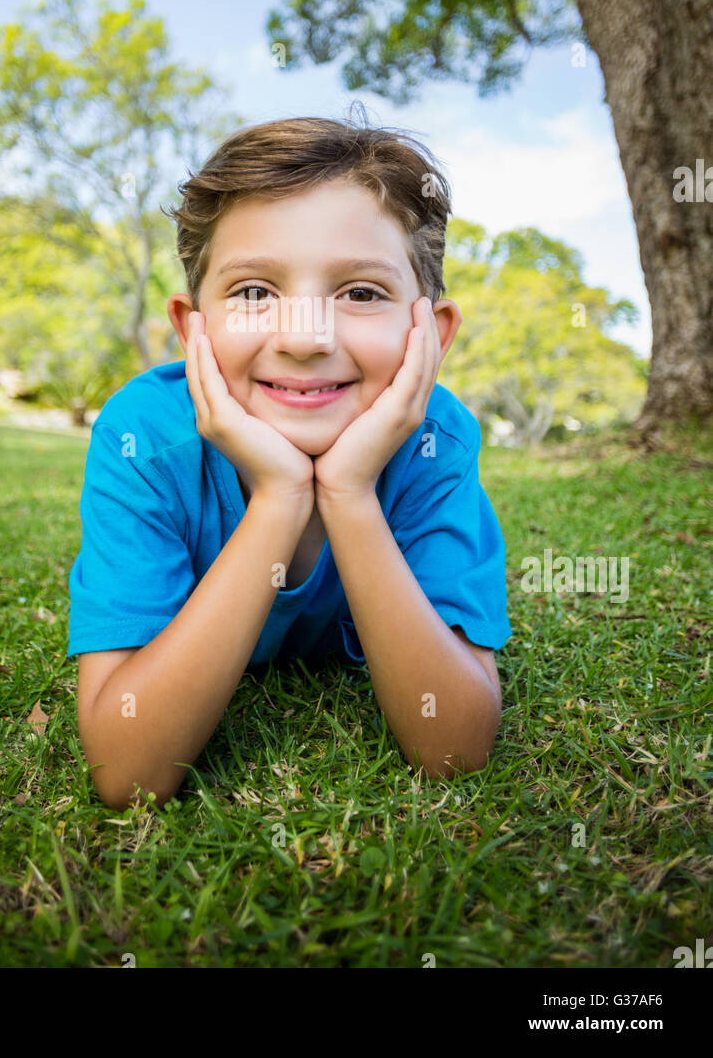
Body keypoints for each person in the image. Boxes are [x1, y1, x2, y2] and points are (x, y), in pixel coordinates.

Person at [67, 112, 512, 809]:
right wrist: (278, 499)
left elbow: (452, 748)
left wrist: (350, 494)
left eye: (360, 292)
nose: (304, 338)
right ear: (192, 328)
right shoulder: (143, 437)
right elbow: (128, 774)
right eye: (254, 292)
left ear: (430, 329)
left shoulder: (436, 442)